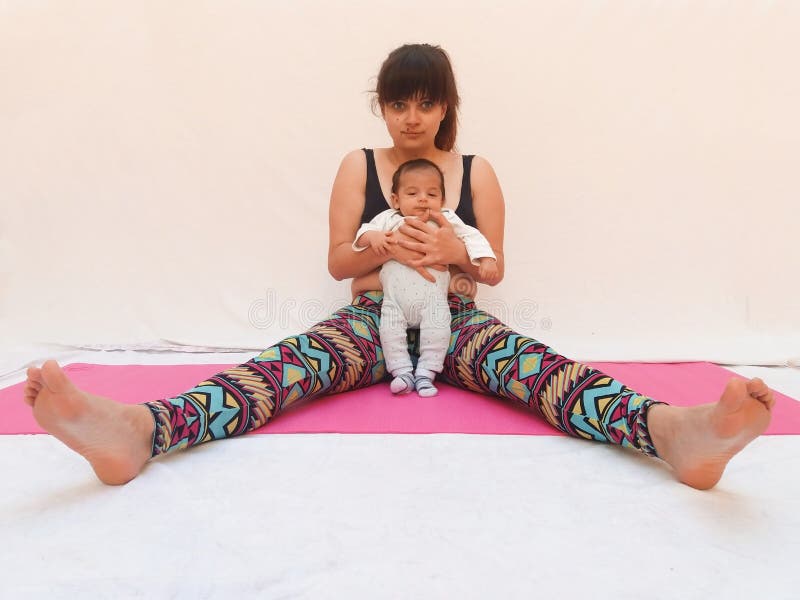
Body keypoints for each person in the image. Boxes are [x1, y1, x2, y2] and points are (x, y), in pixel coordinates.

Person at [23, 43, 775, 490]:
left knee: (542, 371)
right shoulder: (361, 164)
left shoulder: (477, 171)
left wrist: (457, 254)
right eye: (396, 104)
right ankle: (140, 430)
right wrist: (376, 249)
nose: (410, 117)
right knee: (284, 367)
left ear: (447, 105)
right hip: (373, 317)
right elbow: (337, 261)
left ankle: (673, 433)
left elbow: (495, 269)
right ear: (381, 107)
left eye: (424, 104)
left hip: (457, 317)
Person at [354, 157, 498, 397]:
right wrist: (374, 239)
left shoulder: (447, 220)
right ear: (396, 200)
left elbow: (473, 237)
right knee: (389, 332)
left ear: (441, 200)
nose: (423, 199)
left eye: (432, 194)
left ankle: (426, 373)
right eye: (413, 193)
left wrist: (487, 259)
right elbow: (362, 233)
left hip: (434, 299)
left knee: (439, 331)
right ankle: (401, 372)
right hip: (393, 301)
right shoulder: (388, 219)